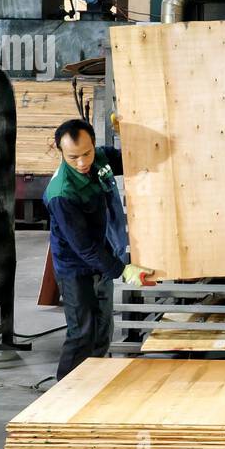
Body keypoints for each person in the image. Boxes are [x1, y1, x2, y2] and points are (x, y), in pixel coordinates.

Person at [44, 118, 152, 380]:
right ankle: (65, 390)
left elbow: (132, 158)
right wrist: (123, 270)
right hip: (76, 267)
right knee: (83, 331)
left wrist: (128, 134)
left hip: (103, 258)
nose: (82, 163)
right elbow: (84, 247)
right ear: (60, 151)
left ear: (94, 145)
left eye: (86, 153)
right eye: (73, 157)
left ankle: (94, 381)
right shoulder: (62, 194)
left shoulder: (100, 159)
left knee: (103, 328)